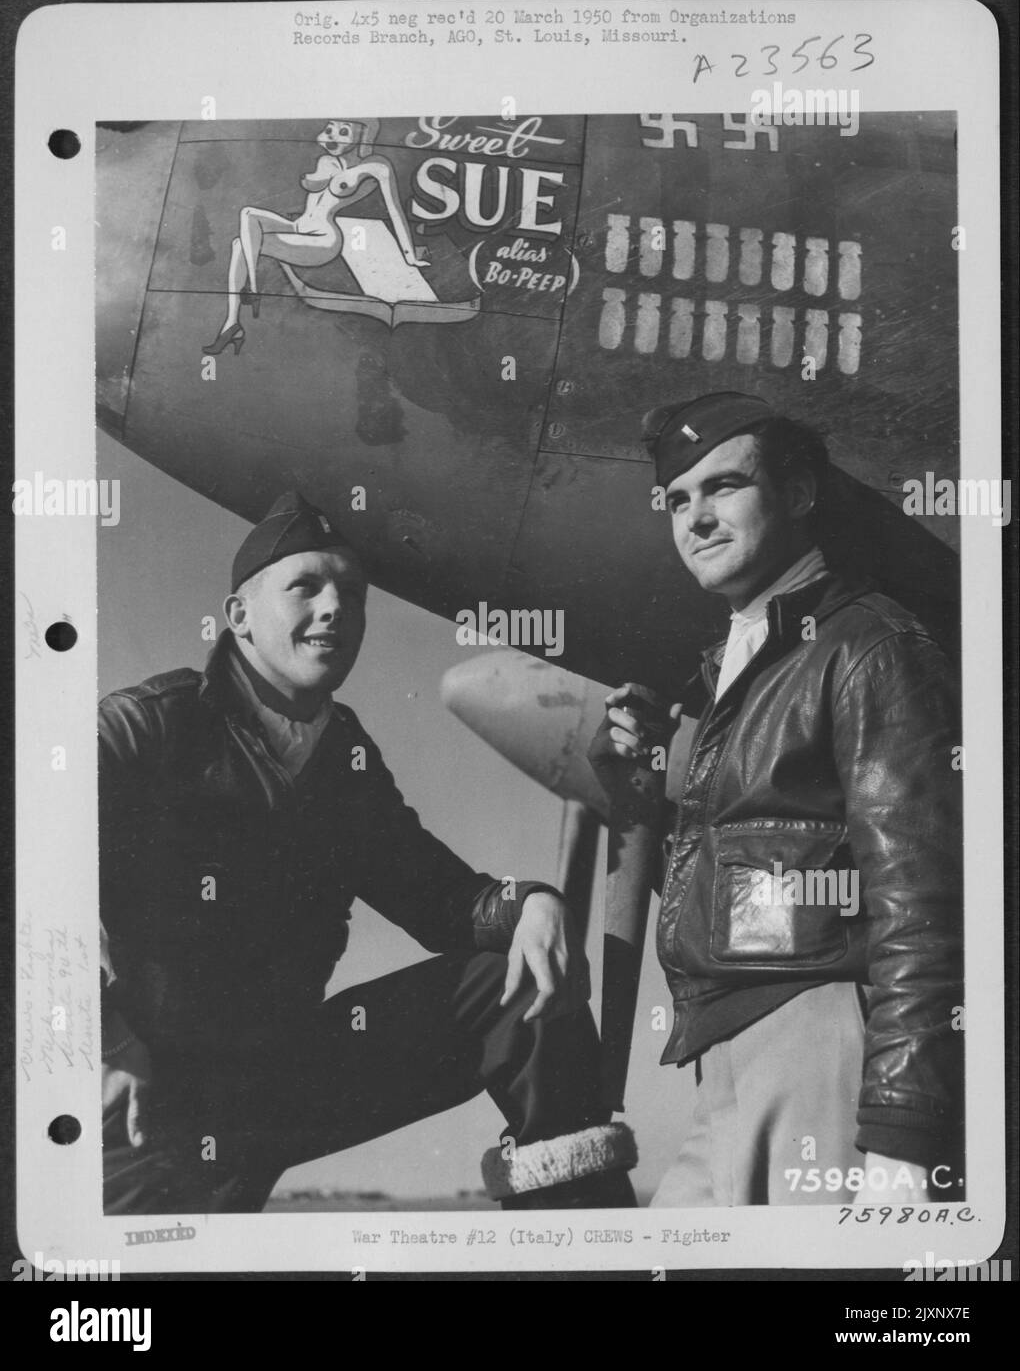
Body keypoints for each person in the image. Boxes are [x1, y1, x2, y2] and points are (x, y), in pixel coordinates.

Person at [100, 491, 636, 1213]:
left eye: (352, 593)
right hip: (141, 1093)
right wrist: (105, 1041)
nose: (334, 608)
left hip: (279, 1081)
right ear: (238, 618)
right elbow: (31, 871)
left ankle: (585, 1244)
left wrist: (531, 902)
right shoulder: (149, 730)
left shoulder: (343, 754)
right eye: (306, 587)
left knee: (519, 982)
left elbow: (441, 897)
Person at [589, 392, 964, 1208]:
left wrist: (901, 1129)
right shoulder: (729, 668)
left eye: (724, 487)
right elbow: (738, 883)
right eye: (679, 500)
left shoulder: (867, 645)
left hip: (818, 1042)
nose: (697, 518)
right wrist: (648, 784)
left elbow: (926, 902)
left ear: (797, 495)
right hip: (720, 1061)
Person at [202, 119, 429, 356]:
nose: (333, 136)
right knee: (247, 215)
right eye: (331, 129)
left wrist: (410, 256)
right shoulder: (327, 161)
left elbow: (395, 211)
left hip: (323, 239)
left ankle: (244, 304)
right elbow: (314, 181)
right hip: (297, 227)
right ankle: (235, 317)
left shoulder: (377, 167)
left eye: (343, 131)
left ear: (363, 135)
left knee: (243, 244)